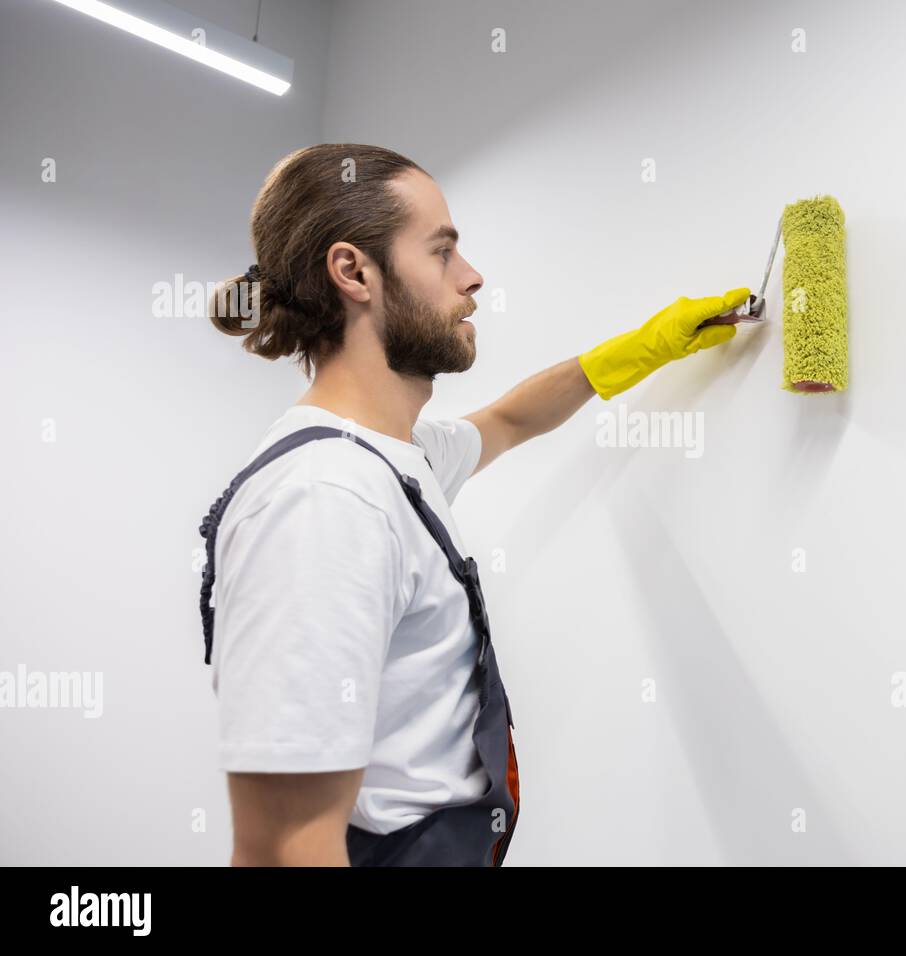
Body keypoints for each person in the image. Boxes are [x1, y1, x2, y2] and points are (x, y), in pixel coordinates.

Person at [200, 143, 747, 866]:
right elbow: (283, 845)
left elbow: (510, 421)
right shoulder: (325, 501)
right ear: (353, 272)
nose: (473, 276)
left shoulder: (397, 458)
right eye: (443, 252)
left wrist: (641, 350)